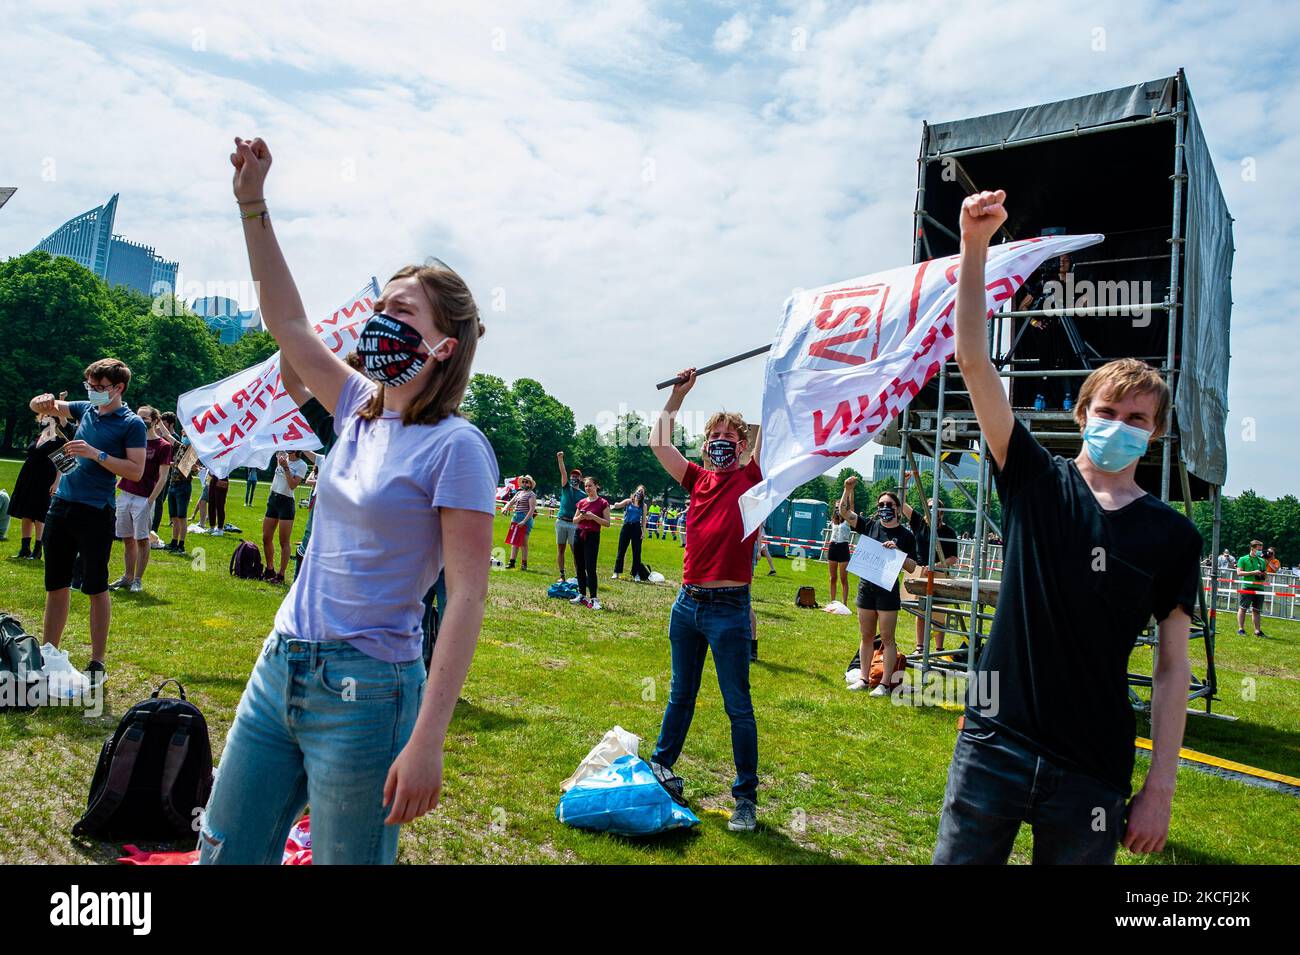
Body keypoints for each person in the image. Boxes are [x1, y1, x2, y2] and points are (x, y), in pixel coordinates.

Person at [199, 136, 496, 865]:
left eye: (403, 313)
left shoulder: (457, 448)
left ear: (443, 347)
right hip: (281, 667)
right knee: (223, 853)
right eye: (381, 307)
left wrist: (427, 738)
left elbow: (465, 599)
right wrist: (252, 206)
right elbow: (289, 326)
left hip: (368, 694)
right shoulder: (357, 404)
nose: (380, 321)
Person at [933, 189, 1200, 865]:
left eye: (1138, 419)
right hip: (995, 743)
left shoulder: (1173, 536)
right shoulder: (1032, 476)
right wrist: (973, 249)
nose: (1122, 424)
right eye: (1111, 409)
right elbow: (973, 359)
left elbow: (1172, 669)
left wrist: (1160, 786)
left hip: (1091, 769)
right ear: (1083, 413)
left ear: (1156, 434)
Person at [648, 369, 763, 832]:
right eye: (714, 435)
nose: (720, 441)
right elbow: (658, 443)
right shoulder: (696, 478)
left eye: (729, 436)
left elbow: (771, 435)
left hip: (730, 609)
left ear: (742, 445)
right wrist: (678, 396)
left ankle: (745, 799)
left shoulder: (753, 477)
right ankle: (661, 768)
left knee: (738, 705)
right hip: (687, 606)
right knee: (680, 694)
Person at [29, 358, 147, 686]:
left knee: (95, 587)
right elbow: (47, 406)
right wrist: (38, 401)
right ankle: (49, 651)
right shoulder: (86, 409)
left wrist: (97, 454)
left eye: (100, 388)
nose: (93, 393)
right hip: (62, 506)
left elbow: (135, 471)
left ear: (118, 388)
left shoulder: (131, 423)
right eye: (90, 387)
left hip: (96, 511)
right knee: (56, 583)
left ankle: (97, 661)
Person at [838, 481, 917, 696]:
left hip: (888, 590)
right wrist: (848, 489)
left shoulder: (906, 535)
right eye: (881, 503)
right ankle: (863, 678)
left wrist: (898, 552)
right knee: (866, 636)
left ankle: (883, 684)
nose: (885, 507)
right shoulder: (871, 525)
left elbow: (912, 566)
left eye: (889, 504)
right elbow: (844, 512)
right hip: (867, 587)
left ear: (898, 509)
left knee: (887, 638)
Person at [109, 406, 174, 593]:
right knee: (127, 539)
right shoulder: (132, 441)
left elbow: (163, 477)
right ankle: (127, 577)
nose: (140, 420)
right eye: (138, 417)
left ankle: (138, 579)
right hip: (125, 494)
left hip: (144, 498)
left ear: (155, 421)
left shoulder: (163, 446)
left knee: (143, 540)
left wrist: (150, 501)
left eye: (145, 418)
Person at [900, 471, 959, 657]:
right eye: (930, 507)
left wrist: (936, 566)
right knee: (921, 610)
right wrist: (905, 482)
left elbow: (953, 559)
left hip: (938, 573)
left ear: (942, 512)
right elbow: (901, 505)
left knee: (938, 612)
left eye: (936, 508)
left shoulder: (949, 532)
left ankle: (939, 649)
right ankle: (920, 647)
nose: (933, 511)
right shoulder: (919, 523)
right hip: (919, 572)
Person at [10, 411, 67, 560]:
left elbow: (61, 463)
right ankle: (24, 549)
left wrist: (56, 482)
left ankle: (37, 550)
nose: (42, 418)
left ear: (53, 419)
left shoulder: (59, 439)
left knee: (39, 514)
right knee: (25, 512)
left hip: (45, 478)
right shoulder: (40, 434)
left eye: (45, 416)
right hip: (28, 477)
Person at [262, 450, 307, 584]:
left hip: (286, 502)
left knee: (284, 541)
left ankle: (281, 575)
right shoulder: (282, 456)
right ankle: (270, 569)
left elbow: (293, 485)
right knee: (266, 537)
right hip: (273, 498)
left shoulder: (302, 465)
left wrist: (286, 467)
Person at [570, 476, 610, 609]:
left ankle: (594, 598)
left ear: (596, 486)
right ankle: (582, 594)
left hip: (592, 536)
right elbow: (574, 520)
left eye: (590, 486)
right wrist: (581, 517)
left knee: (590, 568)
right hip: (579, 535)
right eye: (586, 486)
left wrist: (593, 517)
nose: (587, 488)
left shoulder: (603, 502)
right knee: (579, 566)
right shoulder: (581, 502)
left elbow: (607, 523)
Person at [164, 419, 196, 553]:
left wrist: (194, 468)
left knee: (182, 517)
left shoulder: (193, 450)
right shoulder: (179, 446)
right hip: (173, 485)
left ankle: (181, 545)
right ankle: (173, 542)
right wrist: (158, 421)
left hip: (183, 486)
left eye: (186, 432)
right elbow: (167, 435)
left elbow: (190, 468)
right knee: (175, 517)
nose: (182, 433)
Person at [554, 452, 583, 583]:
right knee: (561, 549)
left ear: (581, 479)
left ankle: (579, 576)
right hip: (561, 522)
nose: (573, 478)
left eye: (576, 476)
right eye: (572, 476)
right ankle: (562, 574)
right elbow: (563, 473)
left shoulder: (583, 495)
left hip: (574, 524)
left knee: (575, 550)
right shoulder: (566, 488)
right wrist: (560, 460)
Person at [611, 484, 648, 581]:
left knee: (637, 552)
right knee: (621, 550)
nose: (640, 493)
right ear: (635, 491)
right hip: (626, 526)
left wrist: (643, 532)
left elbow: (644, 520)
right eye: (639, 491)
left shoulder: (643, 506)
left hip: (636, 528)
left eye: (642, 492)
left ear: (644, 495)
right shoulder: (628, 501)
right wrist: (615, 505)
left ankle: (636, 574)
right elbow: (618, 505)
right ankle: (616, 572)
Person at [503, 474, 537, 570]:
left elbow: (531, 510)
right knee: (514, 541)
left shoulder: (532, 495)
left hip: (525, 518)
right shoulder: (519, 493)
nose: (524, 483)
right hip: (516, 517)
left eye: (527, 482)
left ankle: (524, 564)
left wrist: (524, 521)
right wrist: (505, 508)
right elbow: (510, 502)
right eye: (523, 481)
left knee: (523, 542)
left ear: (530, 484)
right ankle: (512, 562)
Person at [1236, 540, 1268, 637]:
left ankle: (1257, 631)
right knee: (1243, 608)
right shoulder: (1243, 559)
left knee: (1257, 610)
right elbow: (1239, 573)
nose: (1260, 551)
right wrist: (1253, 572)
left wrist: (1263, 574)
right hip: (1247, 587)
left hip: (1259, 588)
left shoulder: (1262, 560)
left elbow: (1265, 576)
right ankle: (1241, 629)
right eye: (1258, 549)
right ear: (1252, 548)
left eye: (1261, 549)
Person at [827, 504, 853, 604]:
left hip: (843, 547)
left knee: (843, 578)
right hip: (833, 546)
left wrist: (849, 491)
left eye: (840, 507)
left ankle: (844, 603)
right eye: (836, 507)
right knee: (833, 577)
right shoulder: (834, 519)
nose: (838, 509)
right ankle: (832, 601)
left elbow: (852, 504)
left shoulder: (848, 519)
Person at [207, 470, 231, 538]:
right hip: (214, 478)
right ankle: (212, 527)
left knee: (220, 505)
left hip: (222, 479)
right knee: (211, 504)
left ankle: (220, 529)